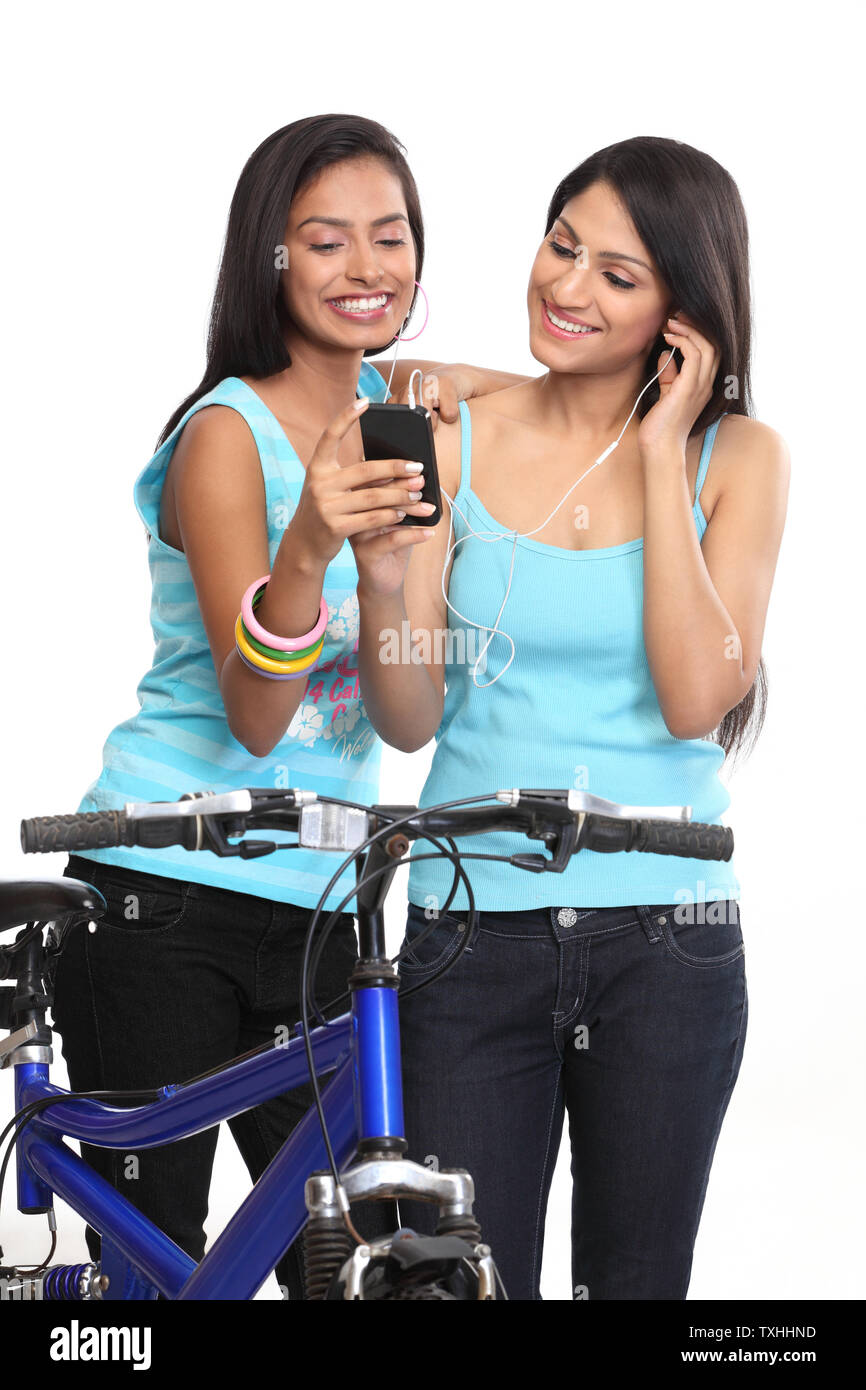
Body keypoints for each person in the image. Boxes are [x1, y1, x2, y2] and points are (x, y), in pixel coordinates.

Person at [50, 112, 520, 1299]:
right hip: (164, 891)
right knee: (157, 1278)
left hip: (324, 906)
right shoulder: (224, 435)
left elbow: (406, 718)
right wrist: (308, 543)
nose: (366, 269)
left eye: (390, 237)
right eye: (325, 241)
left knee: (347, 1265)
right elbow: (258, 718)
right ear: (271, 255)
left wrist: (393, 575)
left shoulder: (403, 429)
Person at [352, 135, 790, 1300]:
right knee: (454, 1283)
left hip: (667, 938)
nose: (565, 287)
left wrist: (652, 448)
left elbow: (701, 696)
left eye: (616, 275)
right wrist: (387, 587)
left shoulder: (735, 458)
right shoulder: (446, 439)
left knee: (635, 1288)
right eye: (560, 247)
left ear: (683, 316)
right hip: (464, 928)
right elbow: (406, 714)